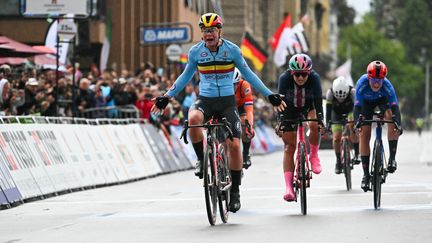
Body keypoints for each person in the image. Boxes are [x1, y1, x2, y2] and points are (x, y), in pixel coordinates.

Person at [151, 13, 286, 213]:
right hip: (205, 100)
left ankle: (236, 192)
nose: (208, 34)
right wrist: (167, 96)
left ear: (219, 31)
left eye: (212, 30)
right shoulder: (196, 52)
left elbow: (248, 74)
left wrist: (269, 95)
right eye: (205, 31)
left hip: (226, 103)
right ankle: (200, 159)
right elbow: (185, 76)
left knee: (234, 145)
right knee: (193, 119)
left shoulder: (232, 50)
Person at [275, 53, 324, 202]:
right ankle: (289, 188)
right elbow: (279, 103)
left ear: (309, 72)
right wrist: (280, 122)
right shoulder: (284, 79)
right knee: (289, 147)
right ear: (292, 73)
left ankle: (314, 155)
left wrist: (320, 119)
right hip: (289, 109)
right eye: (297, 75)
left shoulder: (315, 79)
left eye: (304, 74)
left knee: (315, 124)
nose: (301, 78)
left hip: (308, 107)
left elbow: (318, 101)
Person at [353, 60, 402, 192]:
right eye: (374, 79)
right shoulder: (361, 84)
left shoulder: (387, 86)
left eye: (379, 80)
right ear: (368, 77)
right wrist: (357, 122)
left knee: (391, 118)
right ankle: (365, 175)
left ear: (384, 79)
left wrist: (398, 123)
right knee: (364, 133)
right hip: (366, 105)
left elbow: (395, 107)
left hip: (382, 102)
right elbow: (357, 107)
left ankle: (392, 159)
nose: (376, 83)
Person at [325, 76, 360, 174]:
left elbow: (357, 108)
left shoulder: (353, 92)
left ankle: (357, 153)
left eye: (343, 97)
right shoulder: (330, 93)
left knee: (352, 125)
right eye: (338, 98)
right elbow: (328, 111)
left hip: (350, 111)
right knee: (336, 138)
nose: (341, 99)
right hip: (336, 113)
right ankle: (338, 161)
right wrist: (328, 123)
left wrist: (356, 122)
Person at [233, 68, 255, 169]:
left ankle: (245, 153)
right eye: (231, 85)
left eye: (235, 84)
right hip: (227, 106)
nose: (233, 87)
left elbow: (249, 109)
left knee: (245, 125)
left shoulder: (244, 85)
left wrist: (249, 126)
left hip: (241, 108)